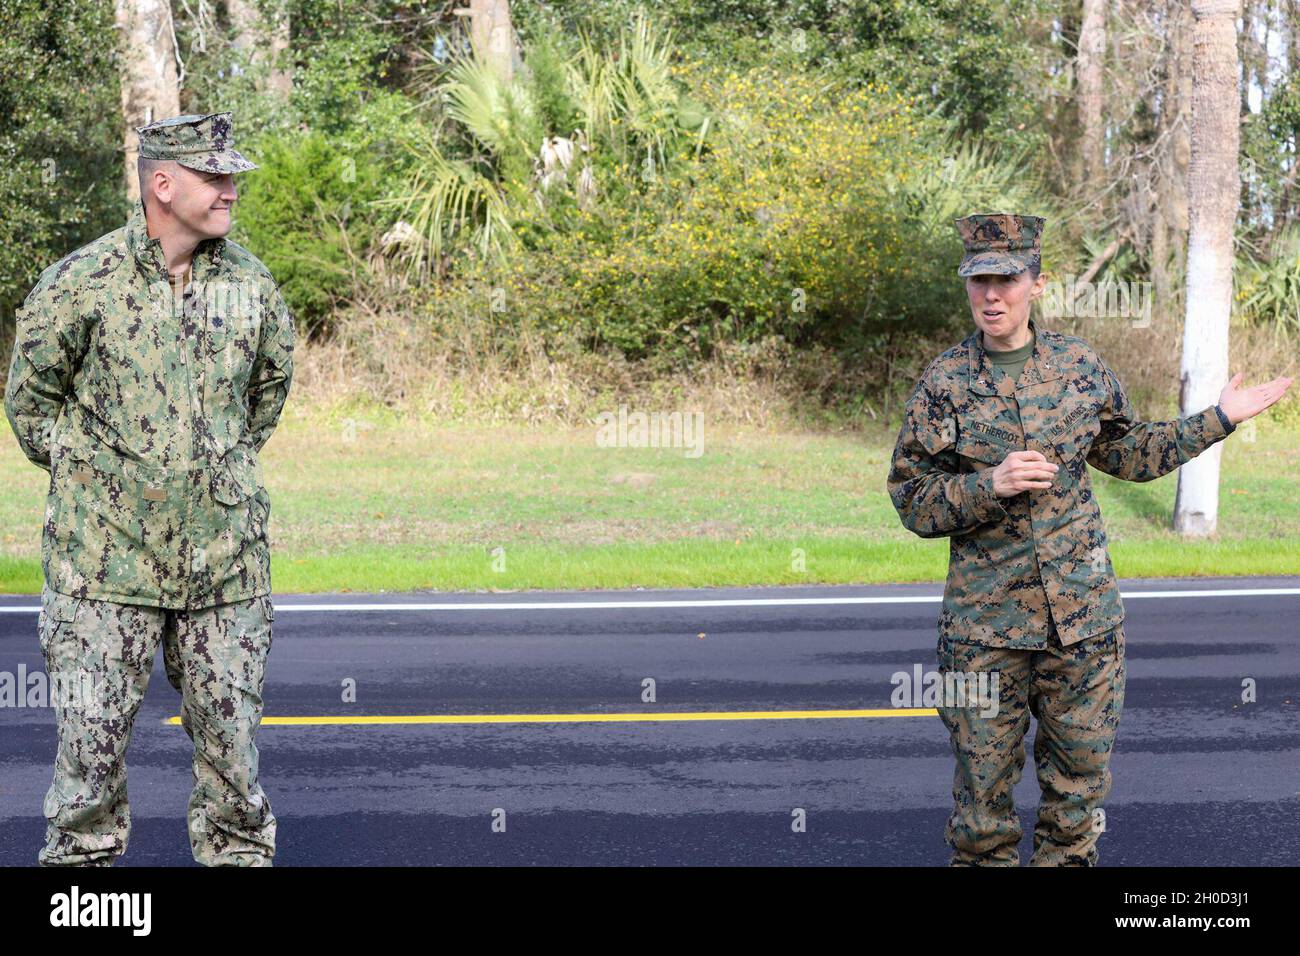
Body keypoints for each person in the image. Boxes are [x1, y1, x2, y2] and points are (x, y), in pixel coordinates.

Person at [886, 212, 1293, 865]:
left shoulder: (1079, 368)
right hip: (983, 636)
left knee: (1075, 816)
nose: (991, 295)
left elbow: (1131, 453)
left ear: (1037, 283)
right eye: (977, 280)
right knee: (981, 824)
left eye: (1006, 279)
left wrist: (1218, 419)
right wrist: (990, 483)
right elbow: (912, 497)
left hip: (1085, 631)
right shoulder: (945, 384)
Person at [4, 112, 296, 866]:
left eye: (233, 174)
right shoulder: (81, 283)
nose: (232, 188)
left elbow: (267, 393)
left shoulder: (251, 284)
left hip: (227, 572)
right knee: (87, 779)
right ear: (162, 184)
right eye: (215, 175)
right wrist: (101, 485)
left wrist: (209, 479)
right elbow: (30, 403)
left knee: (235, 775)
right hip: (103, 573)